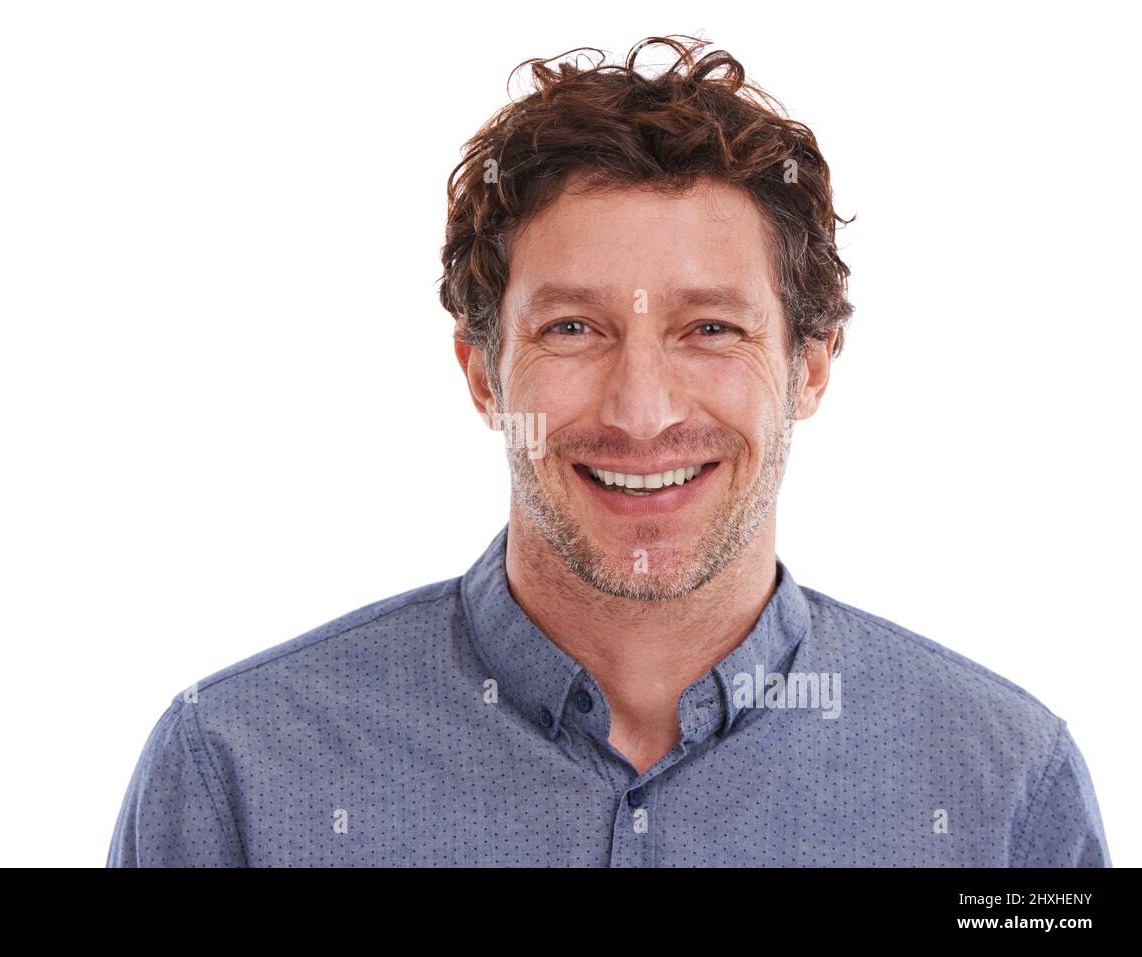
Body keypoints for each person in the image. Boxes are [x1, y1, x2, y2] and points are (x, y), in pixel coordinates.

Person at [107, 35, 1109, 866]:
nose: (641, 412)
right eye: (573, 330)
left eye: (710, 329)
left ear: (810, 366)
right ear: (481, 373)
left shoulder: (1003, 789)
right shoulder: (236, 771)